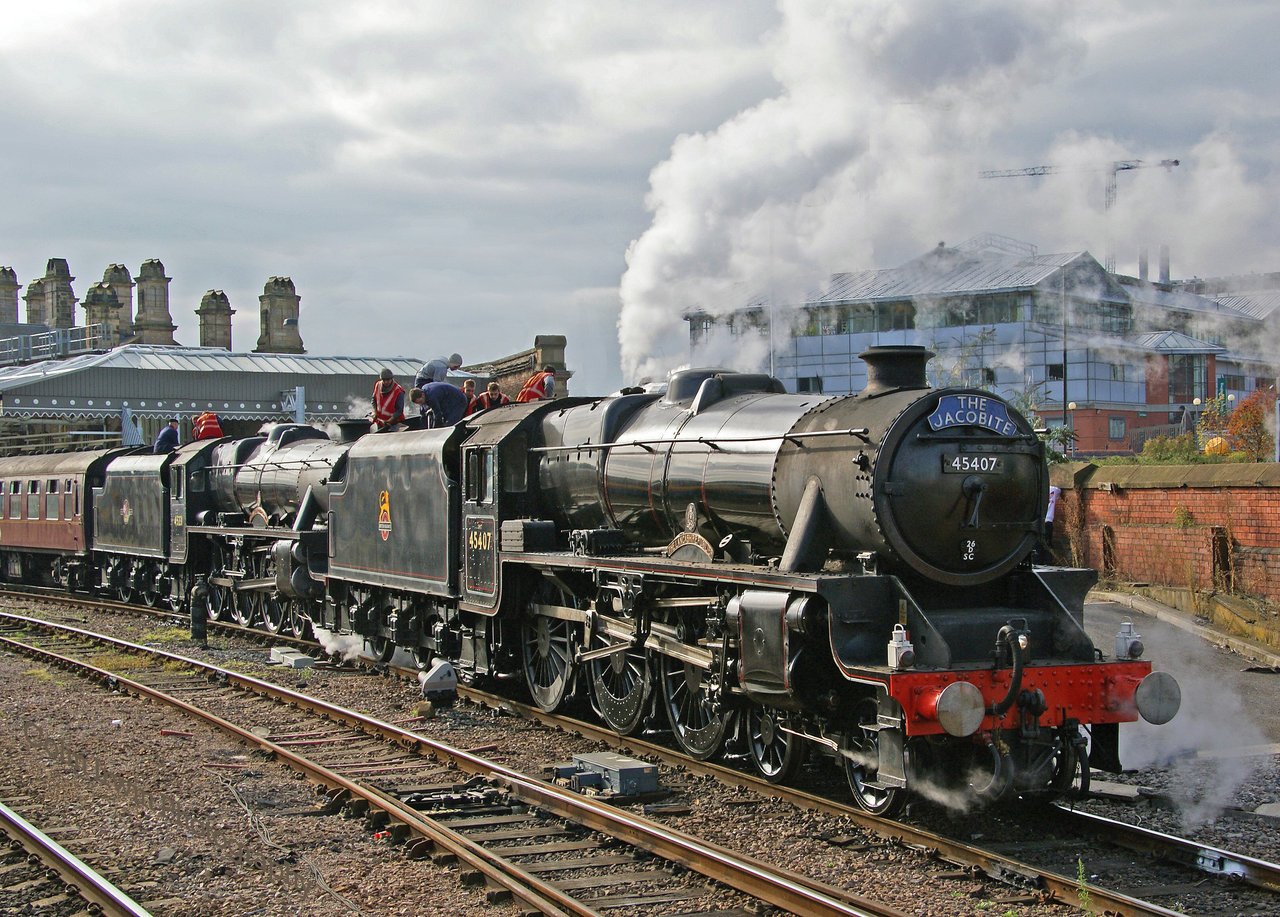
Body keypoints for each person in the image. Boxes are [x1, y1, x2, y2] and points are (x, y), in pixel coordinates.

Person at [371, 368, 406, 433]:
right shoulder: (378, 385)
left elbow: (399, 410)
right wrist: (375, 412)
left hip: (395, 425)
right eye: (384, 380)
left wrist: (390, 420)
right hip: (380, 423)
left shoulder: (398, 391)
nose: (386, 382)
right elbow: (373, 400)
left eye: (388, 380)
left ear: (392, 379)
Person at [1042, 484, 1061, 561]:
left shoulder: (1038, 489)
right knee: (1048, 543)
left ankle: (1039, 562)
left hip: (1039, 521)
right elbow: (1059, 492)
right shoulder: (1054, 490)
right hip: (1048, 521)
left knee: (1038, 544)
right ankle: (1048, 561)